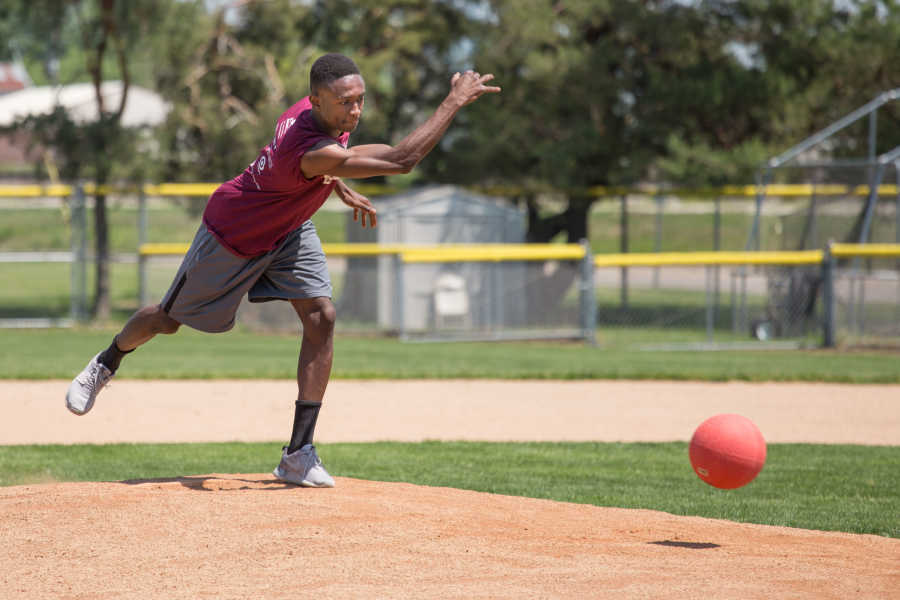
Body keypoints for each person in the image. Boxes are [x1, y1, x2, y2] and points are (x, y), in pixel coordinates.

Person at [65, 53, 501, 488]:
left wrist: (337, 182)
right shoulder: (308, 145)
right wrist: (453, 102)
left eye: (359, 100)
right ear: (315, 100)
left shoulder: (316, 118)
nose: (354, 110)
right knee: (167, 320)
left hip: (290, 227)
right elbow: (400, 160)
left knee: (321, 317)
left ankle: (298, 454)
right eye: (344, 102)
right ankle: (106, 362)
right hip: (233, 234)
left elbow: (330, 159)